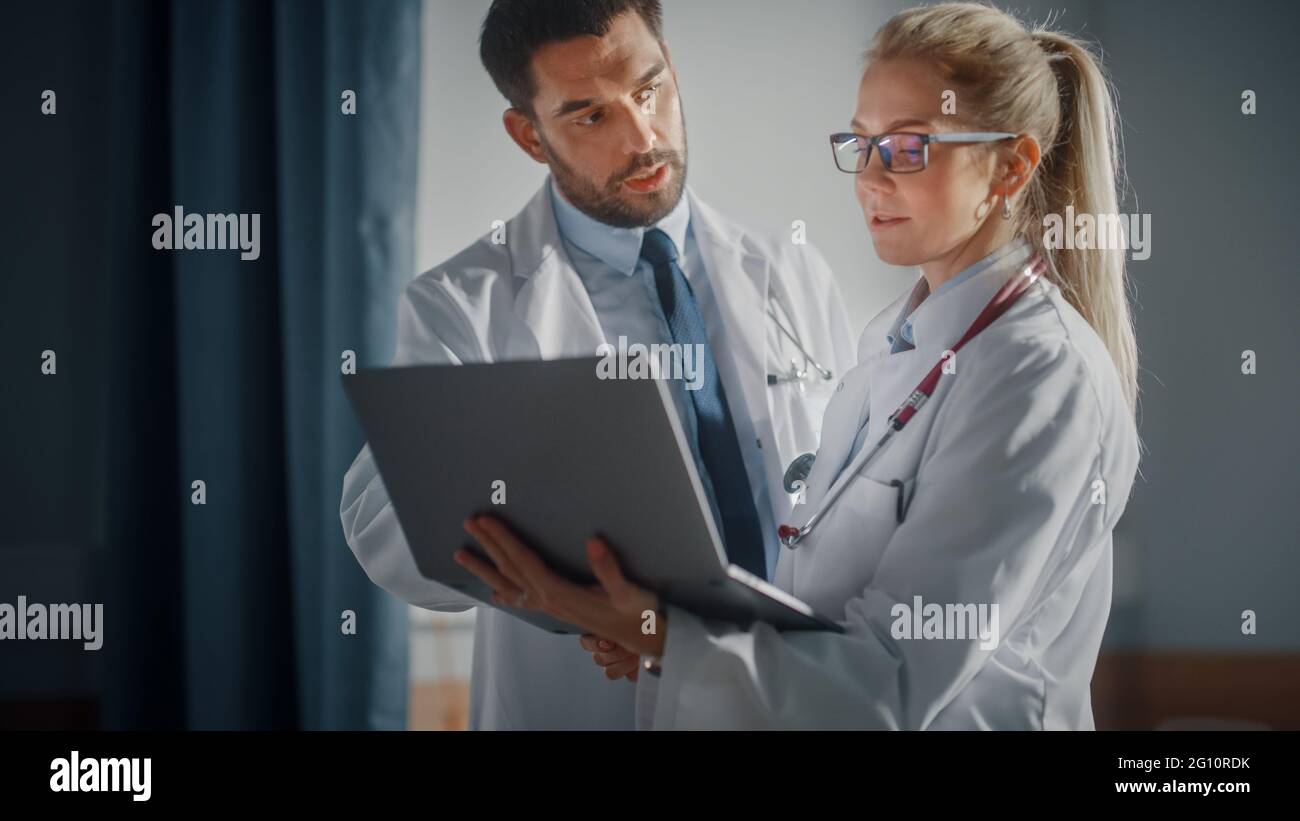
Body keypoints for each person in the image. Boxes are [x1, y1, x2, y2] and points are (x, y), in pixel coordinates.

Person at [455, 1, 1142, 730]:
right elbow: (823, 618)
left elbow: (890, 677)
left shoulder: (1038, 377)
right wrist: (668, 636)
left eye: (909, 148)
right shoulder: (894, 345)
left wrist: (659, 633)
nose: (870, 180)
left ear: (1010, 167)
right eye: (861, 142)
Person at [339, 0, 854, 730]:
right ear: (528, 134)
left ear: (671, 67)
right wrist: (543, 513)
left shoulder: (791, 269)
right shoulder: (464, 304)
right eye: (590, 116)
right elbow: (380, 524)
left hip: (793, 698)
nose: (643, 139)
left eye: (649, 91)